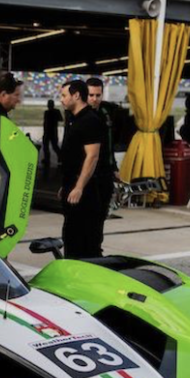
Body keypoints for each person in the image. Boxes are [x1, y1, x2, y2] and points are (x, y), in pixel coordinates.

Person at [59, 79, 104, 259]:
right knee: (70, 236)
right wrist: (67, 185)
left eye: (64, 95)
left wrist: (79, 186)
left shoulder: (90, 120)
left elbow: (92, 156)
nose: (61, 99)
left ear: (76, 95)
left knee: (83, 239)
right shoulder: (74, 119)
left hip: (85, 191)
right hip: (72, 185)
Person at [86, 77, 118, 220]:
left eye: (98, 95)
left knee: (101, 213)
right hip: (87, 170)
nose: (94, 99)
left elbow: (110, 142)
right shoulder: (79, 114)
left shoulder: (106, 112)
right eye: (91, 95)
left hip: (105, 169)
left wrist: (114, 167)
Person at [42, 98, 62, 169]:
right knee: (54, 146)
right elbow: (61, 119)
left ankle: (47, 159)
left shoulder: (47, 112)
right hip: (53, 132)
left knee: (46, 147)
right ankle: (60, 158)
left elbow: (45, 123)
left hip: (48, 132)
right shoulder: (56, 111)